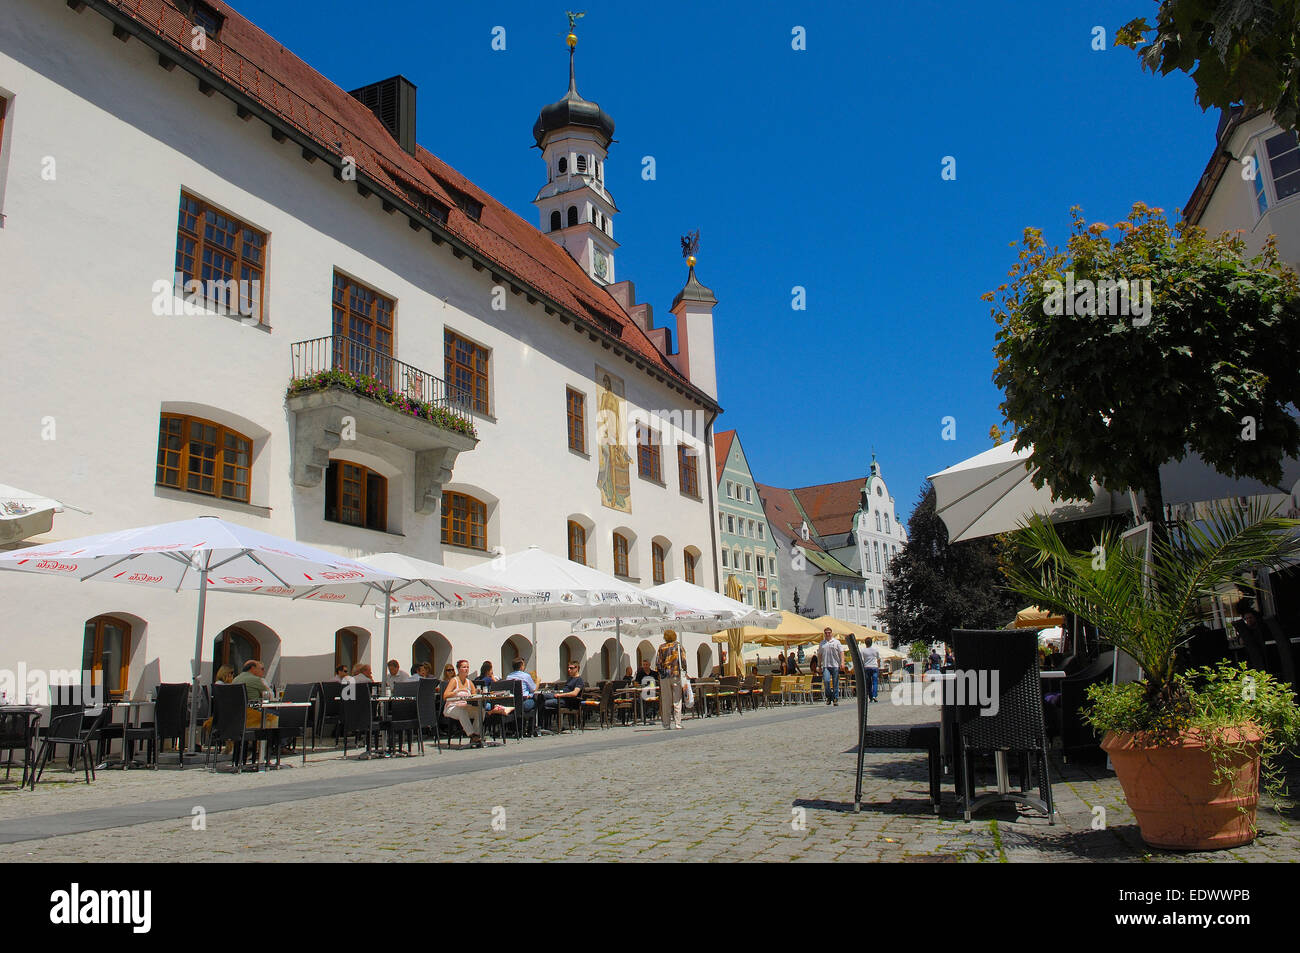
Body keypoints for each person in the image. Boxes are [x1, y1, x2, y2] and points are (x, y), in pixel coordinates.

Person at [442, 659, 484, 746]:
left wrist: (478, 693)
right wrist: (457, 691)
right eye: (464, 667)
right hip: (452, 707)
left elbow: (474, 695)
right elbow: (445, 695)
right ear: (458, 669)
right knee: (462, 711)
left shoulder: (469, 682)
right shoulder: (454, 680)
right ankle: (472, 735)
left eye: (467, 667)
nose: (466, 669)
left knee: (481, 711)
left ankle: (476, 735)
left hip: (465, 706)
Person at [540, 661, 586, 731]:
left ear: (576, 668)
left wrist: (560, 695)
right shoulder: (570, 678)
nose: (569, 670)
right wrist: (557, 693)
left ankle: (542, 726)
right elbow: (565, 690)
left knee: (544, 703)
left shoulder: (579, 680)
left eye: (571, 668)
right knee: (541, 696)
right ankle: (543, 725)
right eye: (568, 668)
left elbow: (574, 693)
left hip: (567, 701)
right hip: (561, 698)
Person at [656, 629, 688, 729]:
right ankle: (678, 723)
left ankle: (666, 724)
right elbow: (683, 660)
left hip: (665, 677)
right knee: (677, 699)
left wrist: (661, 673)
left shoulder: (661, 647)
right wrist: (685, 672)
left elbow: (658, 663)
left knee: (666, 700)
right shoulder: (678, 646)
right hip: (676, 675)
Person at [504, 657, 537, 732]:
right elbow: (534, 688)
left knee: (532, 698)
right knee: (536, 701)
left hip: (512, 703)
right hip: (523, 703)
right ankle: (531, 728)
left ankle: (518, 727)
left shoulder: (508, 677)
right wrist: (538, 681)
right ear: (521, 666)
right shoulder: (526, 676)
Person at [817, 629, 844, 706]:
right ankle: (829, 696)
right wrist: (819, 665)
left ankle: (835, 698)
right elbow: (819, 655)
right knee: (826, 681)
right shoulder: (822, 643)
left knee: (835, 683)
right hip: (825, 665)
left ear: (832, 633)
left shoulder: (836, 642)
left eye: (829, 633)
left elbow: (841, 652)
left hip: (835, 665)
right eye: (826, 633)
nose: (827, 634)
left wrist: (842, 662)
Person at [860, 636, 881, 703]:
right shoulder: (875, 649)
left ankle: (871, 697)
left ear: (865, 643)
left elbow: (862, 660)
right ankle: (874, 696)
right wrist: (879, 666)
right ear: (871, 643)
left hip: (867, 667)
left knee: (868, 683)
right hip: (874, 667)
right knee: (875, 682)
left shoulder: (863, 650)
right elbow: (878, 659)